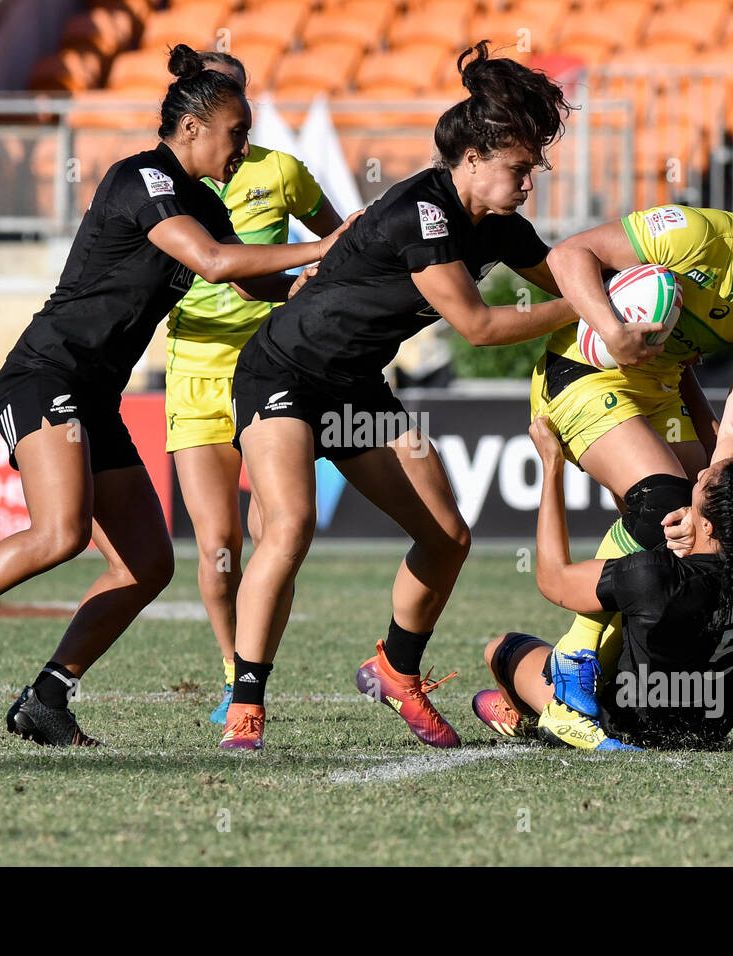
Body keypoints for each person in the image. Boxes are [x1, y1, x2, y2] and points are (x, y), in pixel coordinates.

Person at [0, 45, 349, 746]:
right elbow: (215, 262)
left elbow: (248, 281)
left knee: (149, 564)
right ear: (192, 129)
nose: (244, 146)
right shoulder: (142, 177)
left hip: (94, 394)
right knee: (61, 532)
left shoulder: (201, 201)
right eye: (235, 132)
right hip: (45, 374)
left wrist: (325, 279)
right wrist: (322, 244)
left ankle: (47, 697)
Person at [220, 41, 577, 751]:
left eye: (533, 170)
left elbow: (566, 276)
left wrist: (647, 271)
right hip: (283, 373)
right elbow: (477, 325)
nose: (528, 183)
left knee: (448, 537)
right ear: (471, 158)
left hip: (354, 388)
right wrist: (588, 311)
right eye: (519, 168)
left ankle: (395, 668)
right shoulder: (425, 212)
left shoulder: (499, 226)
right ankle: (245, 708)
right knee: (289, 527)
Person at [525, 175, 733, 744]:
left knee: (729, 523)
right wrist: (612, 331)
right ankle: (574, 664)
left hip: (661, 390)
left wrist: (716, 508)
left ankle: (571, 685)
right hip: (586, 371)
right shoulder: (696, 235)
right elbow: (570, 254)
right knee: (664, 507)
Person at [166, 51, 345, 726]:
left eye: (237, 98)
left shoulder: (282, 170)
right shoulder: (165, 182)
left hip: (273, 369)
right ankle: (229, 673)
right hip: (196, 373)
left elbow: (340, 242)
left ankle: (252, 678)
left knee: (276, 529)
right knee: (218, 549)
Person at [471, 417, 733, 749]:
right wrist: (684, 379)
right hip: (716, 721)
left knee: (503, 649)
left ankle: (537, 715)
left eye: (706, 480)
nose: (699, 473)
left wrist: (552, 466)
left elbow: (554, 578)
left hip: (638, 725)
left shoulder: (655, 577)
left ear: (709, 527)